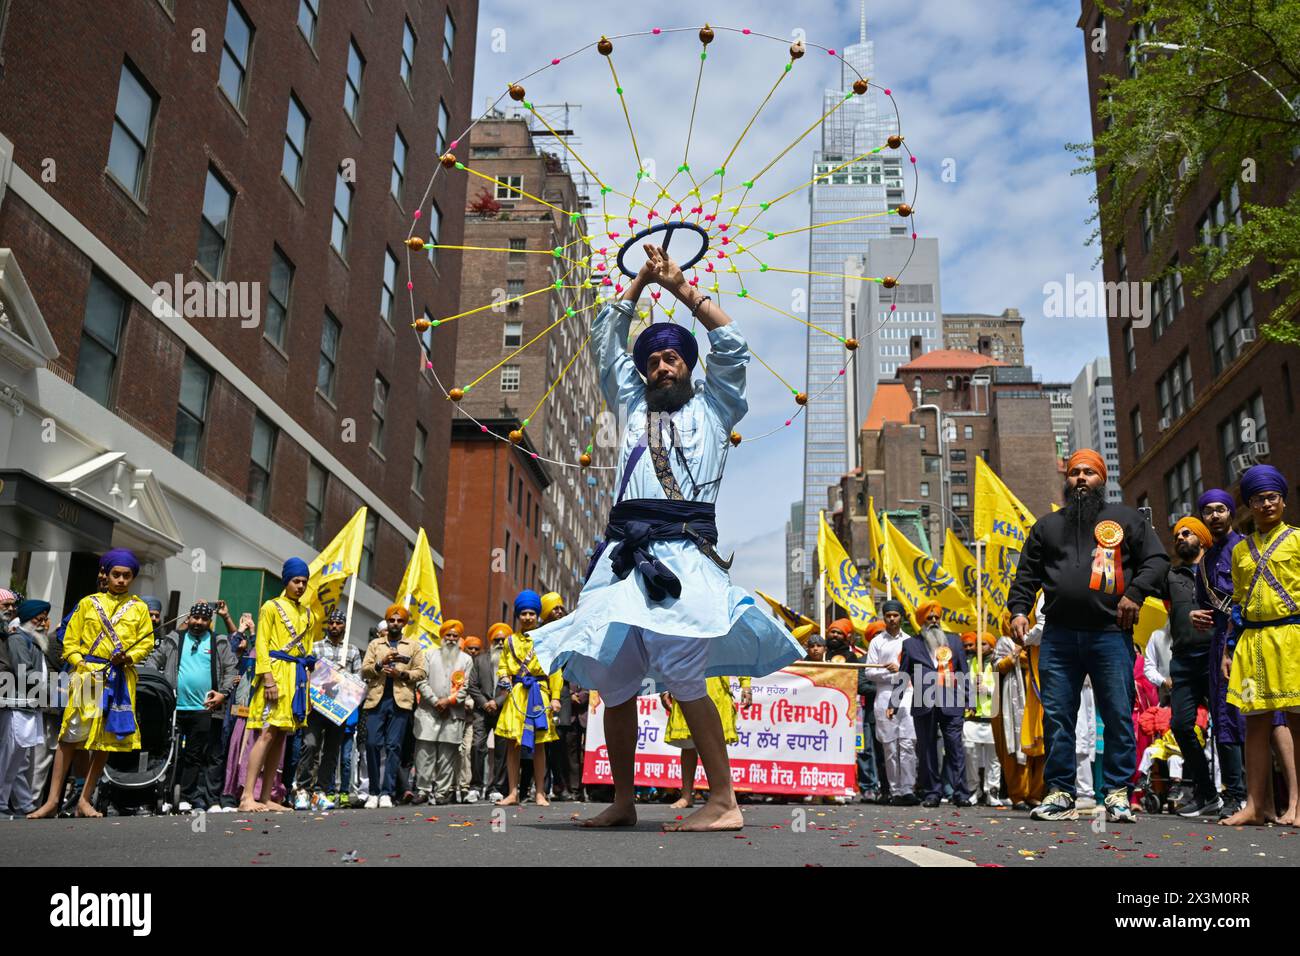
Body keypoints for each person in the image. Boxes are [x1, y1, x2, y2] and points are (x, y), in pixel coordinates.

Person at [529, 245, 803, 831]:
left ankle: (725, 801)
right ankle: (624, 801)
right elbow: (607, 345)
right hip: (625, 558)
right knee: (614, 676)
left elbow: (732, 346)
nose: (663, 367)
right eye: (654, 361)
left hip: (682, 558)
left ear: (688, 367)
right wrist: (634, 287)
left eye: (674, 359)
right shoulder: (631, 404)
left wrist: (680, 289)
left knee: (684, 673)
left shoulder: (715, 408)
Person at [1008, 448, 1169, 822]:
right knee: (1058, 717)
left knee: (1116, 714)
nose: (1081, 478)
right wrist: (1018, 609)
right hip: (1060, 637)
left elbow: (1157, 561)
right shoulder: (1047, 526)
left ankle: (1115, 793)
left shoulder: (1126, 520)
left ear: (1102, 480)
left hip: (1110, 634)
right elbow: (1026, 576)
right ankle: (1061, 792)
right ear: (1067, 480)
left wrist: (1134, 594)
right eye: (1075, 473)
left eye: (1089, 473)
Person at [28, 549, 155, 819]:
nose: (121, 580)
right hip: (86, 676)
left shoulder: (140, 608)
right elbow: (69, 641)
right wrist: (81, 664)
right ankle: (51, 801)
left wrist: (129, 656)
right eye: (116, 575)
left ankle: (85, 800)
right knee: (69, 736)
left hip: (120, 677)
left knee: (103, 741)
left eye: (126, 576)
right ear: (106, 575)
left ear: (132, 577)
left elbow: (147, 643)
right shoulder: (87, 603)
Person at [1222, 464, 1300, 826]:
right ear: (1249, 505)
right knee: (1254, 723)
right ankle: (1255, 805)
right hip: (1251, 646)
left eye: (1272, 497)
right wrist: (1228, 648)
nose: (1266, 504)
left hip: (1293, 640)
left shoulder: (1298, 539)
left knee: (1298, 720)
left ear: (1282, 501)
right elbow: (1237, 603)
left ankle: (1296, 805)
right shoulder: (1240, 550)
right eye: (1258, 499)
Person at [241, 558, 320, 813]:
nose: (300, 586)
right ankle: (246, 796)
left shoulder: (309, 614)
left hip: (296, 678)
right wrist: (268, 679)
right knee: (266, 733)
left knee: (281, 737)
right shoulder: (270, 607)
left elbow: (307, 655)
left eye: (304, 582)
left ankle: (265, 797)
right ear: (286, 580)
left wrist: (307, 690)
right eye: (296, 581)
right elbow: (261, 644)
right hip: (274, 672)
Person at [1160, 516, 1223, 817]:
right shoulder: (1170, 576)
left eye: (1187, 533)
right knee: (1181, 726)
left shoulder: (1218, 568)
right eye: (1176, 535)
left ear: (1201, 537)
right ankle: (1207, 794)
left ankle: (1239, 794)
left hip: (1217, 655)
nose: (1180, 538)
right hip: (1184, 660)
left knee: (1227, 726)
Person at [148, 602, 238, 812]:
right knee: (170, 753)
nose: (198, 622)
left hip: (204, 709)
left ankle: (186, 796)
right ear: (188, 619)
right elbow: (153, 662)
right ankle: (165, 797)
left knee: (194, 756)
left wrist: (222, 694)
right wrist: (160, 688)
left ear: (210, 622)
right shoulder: (174, 639)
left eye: (204, 619)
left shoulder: (218, 641)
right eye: (195, 618)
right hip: (174, 708)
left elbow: (231, 671)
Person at [1194, 489, 1249, 818]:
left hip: (1250, 641)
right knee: (1225, 719)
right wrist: (1193, 615)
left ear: (1230, 512)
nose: (1214, 516)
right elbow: (1204, 605)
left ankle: (1268, 794)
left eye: (1220, 510)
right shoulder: (1203, 563)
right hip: (1218, 649)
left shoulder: (1245, 548)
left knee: (1260, 716)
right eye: (1208, 511)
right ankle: (1235, 794)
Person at [898, 602, 972, 808]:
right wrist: (893, 704)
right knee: (927, 749)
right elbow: (903, 674)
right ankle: (932, 792)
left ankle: (961, 793)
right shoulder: (911, 644)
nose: (933, 622)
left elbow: (963, 672)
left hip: (952, 703)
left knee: (955, 748)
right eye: (929, 618)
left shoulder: (955, 642)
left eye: (936, 618)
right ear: (922, 621)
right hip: (924, 702)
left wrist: (970, 700)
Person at [494, 590, 563, 807]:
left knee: (540, 745)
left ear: (537, 615)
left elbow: (554, 670)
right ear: (518, 616)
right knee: (512, 745)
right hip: (516, 695)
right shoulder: (510, 641)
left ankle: (540, 792)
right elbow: (504, 665)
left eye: (532, 613)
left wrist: (556, 697)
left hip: (539, 694)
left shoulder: (546, 640)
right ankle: (513, 793)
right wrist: (504, 678)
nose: (527, 617)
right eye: (523, 613)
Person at [293, 607, 361, 811]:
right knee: (310, 745)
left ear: (344, 626)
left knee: (331, 751)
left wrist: (344, 678)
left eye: (338, 623)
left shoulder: (352, 650)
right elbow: (305, 672)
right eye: (331, 623)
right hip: (315, 707)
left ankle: (321, 791)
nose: (334, 626)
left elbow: (358, 679)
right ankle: (303, 790)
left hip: (338, 709)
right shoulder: (315, 647)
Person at [360, 605, 427, 809]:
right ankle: (373, 791)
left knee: (393, 747)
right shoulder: (376, 644)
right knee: (371, 743)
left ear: (404, 623)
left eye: (399, 620)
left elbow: (422, 672)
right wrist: (380, 664)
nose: (395, 623)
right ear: (387, 622)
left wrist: (403, 675)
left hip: (401, 702)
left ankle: (387, 792)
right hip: (376, 700)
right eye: (392, 620)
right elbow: (365, 671)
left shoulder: (413, 646)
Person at [662, 675, 751, 809]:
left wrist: (746, 685)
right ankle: (686, 795)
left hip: (715, 691)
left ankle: (725, 797)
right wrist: (665, 688)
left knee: (717, 747)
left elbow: (741, 654)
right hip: (687, 685)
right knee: (688, 744)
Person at [0, 600, 52, 814]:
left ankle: (22, 805)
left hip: (30, 706)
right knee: (8, 757)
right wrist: (53, 688)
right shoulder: (18, 640)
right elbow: (23, 673)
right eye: (37, 619)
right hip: (17, 706)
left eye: (43, 619)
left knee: (18, 761)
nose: (41, 623)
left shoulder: (34, 640)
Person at [864, 600, 918, 805]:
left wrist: (901, 674)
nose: (892, 619)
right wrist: (891, 673)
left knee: (907, 744)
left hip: (908, 696)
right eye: (888, 615)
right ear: (884, 617)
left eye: (895, 615)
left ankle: (908, 789)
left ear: (901, 617)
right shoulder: (877, 642)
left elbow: (915, 672)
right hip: (885, 697)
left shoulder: (911, 642)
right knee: (890, 747)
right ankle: (895, 791)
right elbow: (869, 672)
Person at [413, 622, 472, 804]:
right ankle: (422, 790)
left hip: (453, 713)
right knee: (425, 753)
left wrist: (448, 701)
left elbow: (466, 686)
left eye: (455, 636)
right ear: (442, 636)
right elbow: (421, 680)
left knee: (448, 755)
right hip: (428, 712)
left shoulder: (466, 660)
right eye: (448, 635)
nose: (451, 639)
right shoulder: (429, 655)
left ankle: (441, 793)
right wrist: (435, 700)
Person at [994, 606, 1046, 810]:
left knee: (1039, 744)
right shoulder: (1004, 641)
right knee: (1015, 749)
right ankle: (1018, 794)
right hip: (1014, 699)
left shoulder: (1036, 638)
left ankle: (1036, 793)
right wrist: (1014, 654)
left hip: (1036, 695)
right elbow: (997, 666)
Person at [467, 622, 511, 803]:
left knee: (502, 750)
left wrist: (498, 701)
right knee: (477, 746)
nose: (500, 643)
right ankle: (476, 787)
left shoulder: (511, 661)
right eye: (497, 640)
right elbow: (472, 686)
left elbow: (512, 686)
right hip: (482, 712)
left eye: (503, 640)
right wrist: (486, 704)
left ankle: (496, 787)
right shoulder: (480, 660)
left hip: (503, 711)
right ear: (491, 641)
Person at [961, 631, 1002, 807]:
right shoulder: (969, 662)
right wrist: (971, 686)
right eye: (978, 643)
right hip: (972, 715)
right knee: (970, 753)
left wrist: (989, 690)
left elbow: (1005, 686)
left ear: (992, 645)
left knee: (994, 758)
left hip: (992, 716)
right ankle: (973, 789)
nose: (979, 647)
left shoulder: (998, 663)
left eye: (983, 643)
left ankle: (992, 791)